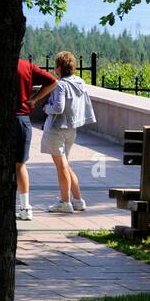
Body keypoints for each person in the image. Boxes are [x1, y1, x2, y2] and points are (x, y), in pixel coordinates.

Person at [41, 51, 96, 213]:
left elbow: (58, 107)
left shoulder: (61, 85)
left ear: (59, 68)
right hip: (71, 129)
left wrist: (46, 108)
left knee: (61, 167)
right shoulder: (80, 82)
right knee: (65, 165)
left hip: (57, 129)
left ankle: (65, 202)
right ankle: (78, 200)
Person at [15, 56, 58, 220]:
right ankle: (25, 207)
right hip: (22, 120)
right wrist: (34, 100)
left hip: (1, 120)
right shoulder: (26, 65)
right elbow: (52, 81)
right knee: (20, 165)